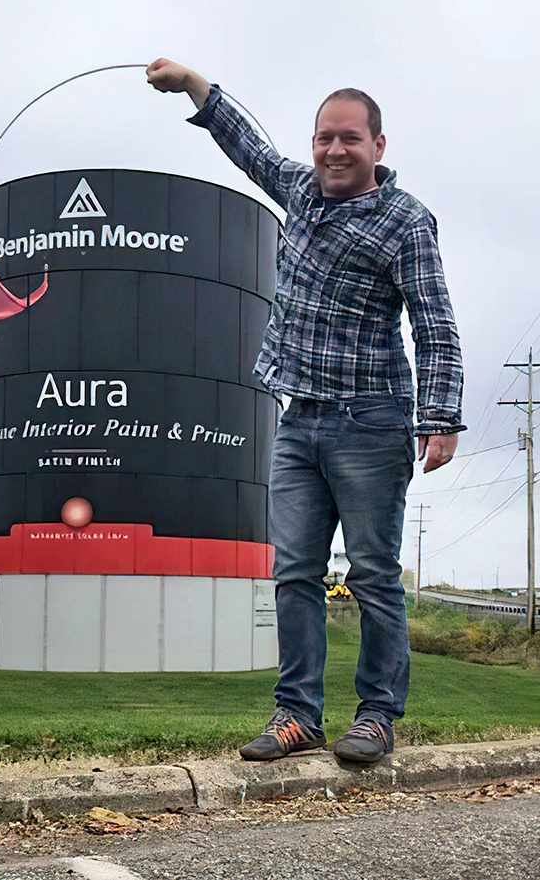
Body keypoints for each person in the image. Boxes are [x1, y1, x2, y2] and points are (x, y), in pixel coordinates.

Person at [146, 59, 465, 763]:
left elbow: (434, 323)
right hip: (300, 421)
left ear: (378, 146)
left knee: (373, 574)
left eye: (349, 138)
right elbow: (249, 147)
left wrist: (440, 415)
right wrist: (195, 85)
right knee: (293, 571)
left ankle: (377, 716)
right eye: (324, 137)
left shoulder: (406, 221)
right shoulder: (301, 189)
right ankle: (298, 715)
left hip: (373, 422)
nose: (334, 150)